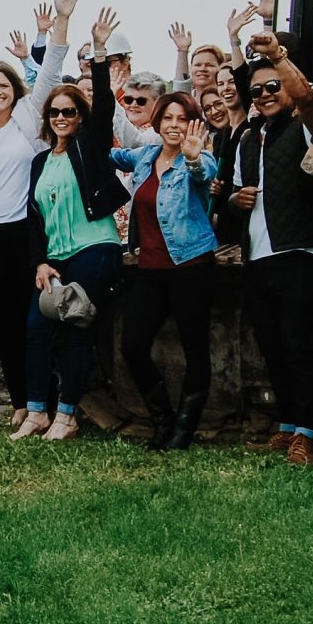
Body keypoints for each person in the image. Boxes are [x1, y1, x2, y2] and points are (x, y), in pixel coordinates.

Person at [0, 0, 79, 427]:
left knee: (39, 319)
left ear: (15, 88)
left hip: (27, 232)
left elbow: (51, 70)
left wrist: (63, 21)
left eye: (3, 85)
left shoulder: (29, 118)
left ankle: (50, 402)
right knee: (5, 323)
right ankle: (22, 402)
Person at [18, 49, 132, 441]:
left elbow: (103, 109)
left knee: (75, 324)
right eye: (55, 113)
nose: (62, 118)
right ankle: (37, 412)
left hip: (95, 248)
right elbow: (34, 218)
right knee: (35, 325)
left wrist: (99, 57)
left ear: (79, 117)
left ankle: (67, 416)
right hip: (56, 258)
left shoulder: (89, 147)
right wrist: (40, 263)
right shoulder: (40, 162)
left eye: (69, 112)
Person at [232, 33, 313, 465]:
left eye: (274, 86)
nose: (267, 94)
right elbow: (236, 192)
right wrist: (237, 199)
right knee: (272, 345)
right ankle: (289, 424)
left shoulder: (308, 124)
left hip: (301, 251)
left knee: (300, 343)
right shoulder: (248, 139)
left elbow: (310, 100)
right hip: (259, 255)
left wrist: (278, 57)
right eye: (257, 90)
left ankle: (309, 433)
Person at [110, 88, 221, 450]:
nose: (174, 126)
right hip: (151, 268)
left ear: (193, 124)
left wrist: (191, 157)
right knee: (133, 346)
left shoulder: (201, 158)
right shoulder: (144, 157)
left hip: (191, 265)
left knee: (195, 348)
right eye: (168, 118)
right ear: (157, 122)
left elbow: (203, 174)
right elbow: (106, 152)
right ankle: (163, 420)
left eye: (182, 119)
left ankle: (183, 432)